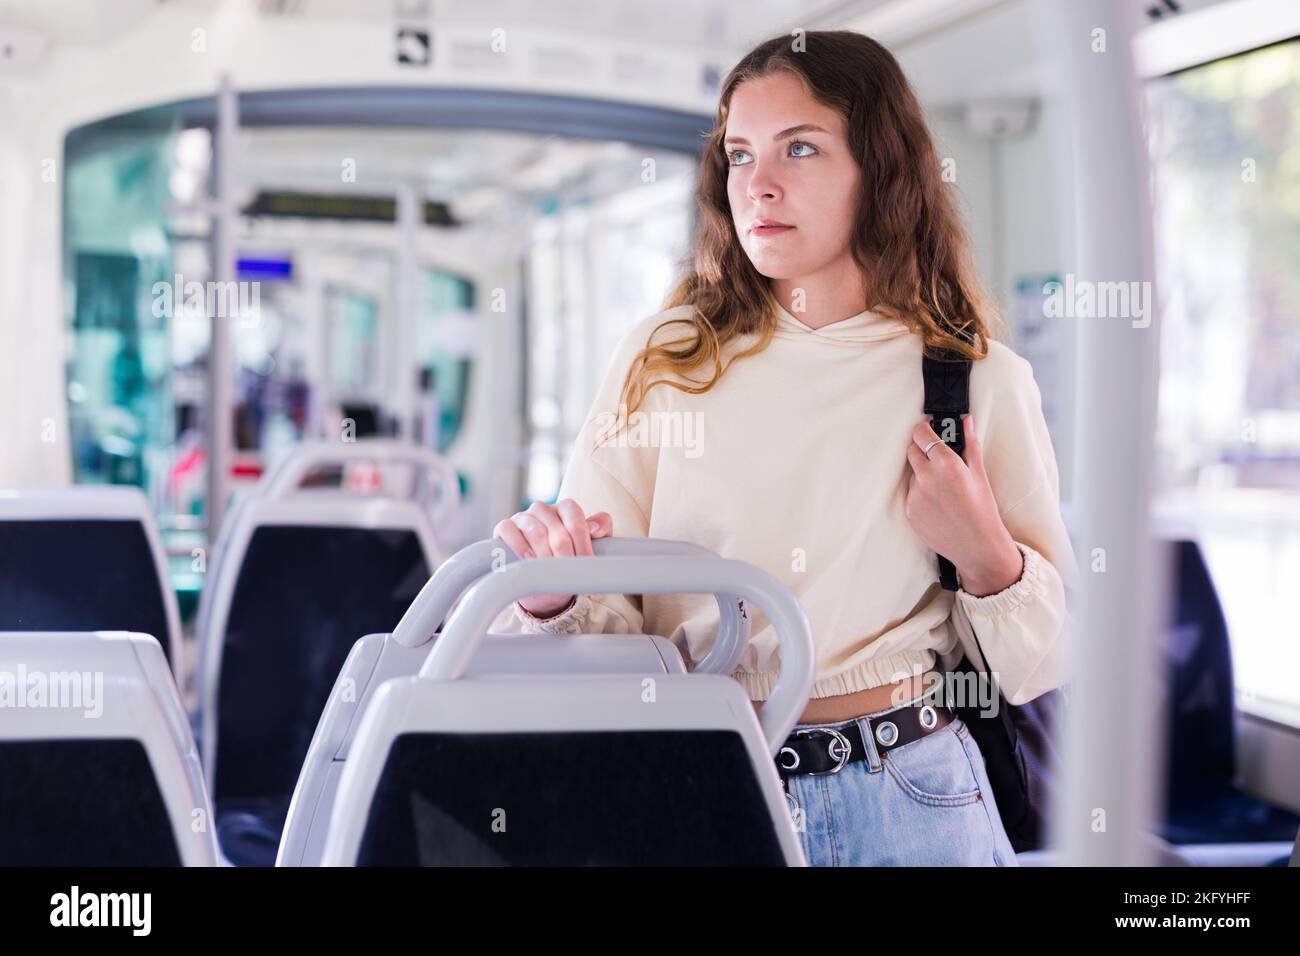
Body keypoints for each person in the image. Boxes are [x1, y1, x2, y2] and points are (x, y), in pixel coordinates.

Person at [491, 29, 1077, 866]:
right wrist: (552, 602)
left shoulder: (971, 381)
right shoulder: (664, 359)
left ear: (880, 170)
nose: (757, 186)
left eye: (799, 149)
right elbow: (604, 610)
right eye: (739, 155)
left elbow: (1039, 664)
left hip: (913, 793)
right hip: (703, 781)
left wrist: (986, 554)